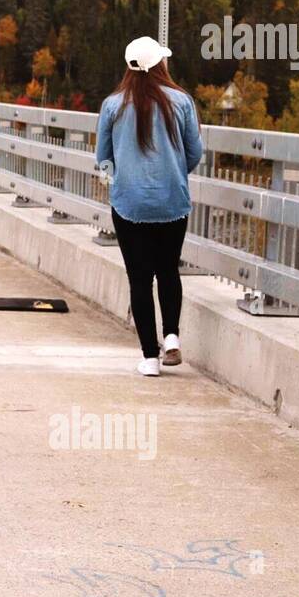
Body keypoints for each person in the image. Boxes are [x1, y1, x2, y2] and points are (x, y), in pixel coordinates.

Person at [95, 36, 203, 376]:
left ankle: (150, 359)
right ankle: (171, 337)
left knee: (139, 280)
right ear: (158, 64)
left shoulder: (112, 106)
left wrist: (117, 183)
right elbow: (195, 152)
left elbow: (103, 159)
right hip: (172, 201)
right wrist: (174, 173)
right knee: (168, 270)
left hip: (129, 205)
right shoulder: (182, 101)